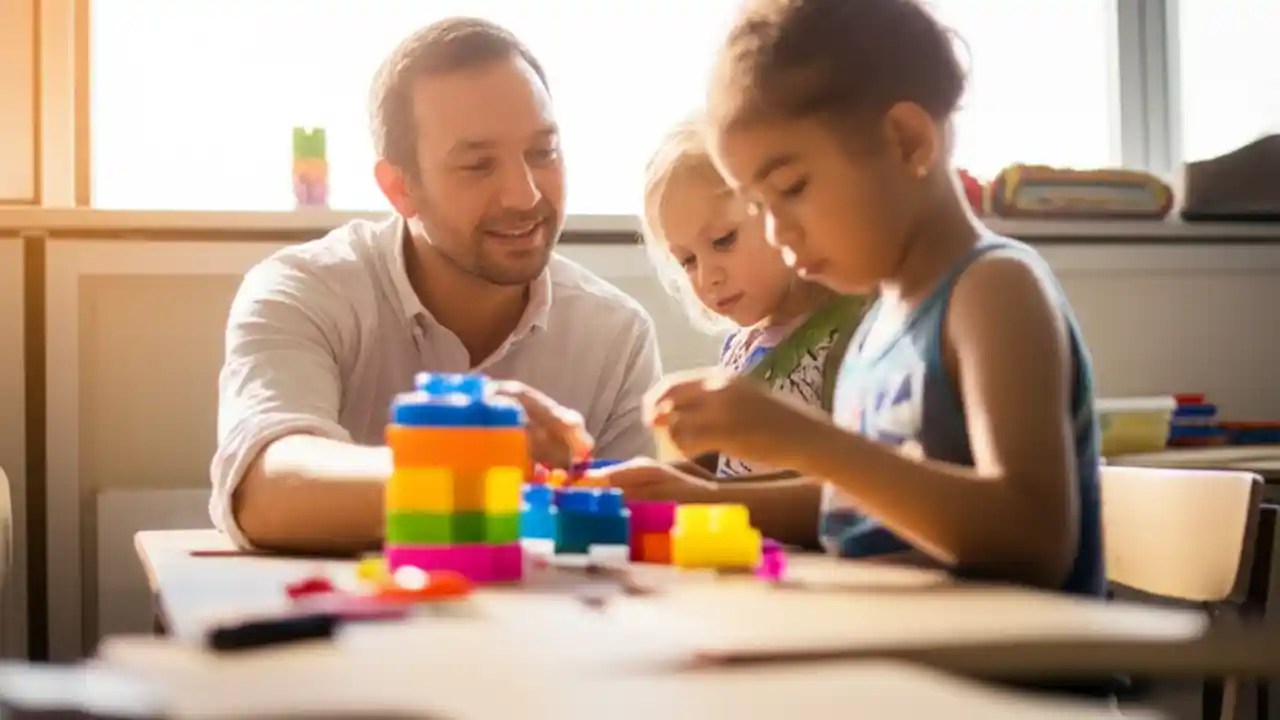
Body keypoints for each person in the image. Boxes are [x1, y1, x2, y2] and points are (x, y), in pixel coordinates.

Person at [642, 0, 1103, 595]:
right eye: (758, 207)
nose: (779, 232)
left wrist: (803, 440)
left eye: (792, 188)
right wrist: (698, 500)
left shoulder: (995, 291)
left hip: (1008, 683)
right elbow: (860, 510)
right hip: (899, 661)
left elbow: (1032, 540)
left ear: (907, 142)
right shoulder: (879, 325)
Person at [211, 18, 661, 554]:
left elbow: (631, 533)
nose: (523, 195)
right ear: (400, 188)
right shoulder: (303, 292)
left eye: (543, 153)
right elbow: (267, 493)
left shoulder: (615, 334)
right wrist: (469, 459)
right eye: (477, 165)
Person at [602, 118, 866, 547]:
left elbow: (857, 494)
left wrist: (706, 499)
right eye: (686, 260)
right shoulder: (742, 349)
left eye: (723, 241)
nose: (708, 277)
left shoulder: (847, 337)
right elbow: (721, 472)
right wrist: (643, 484)